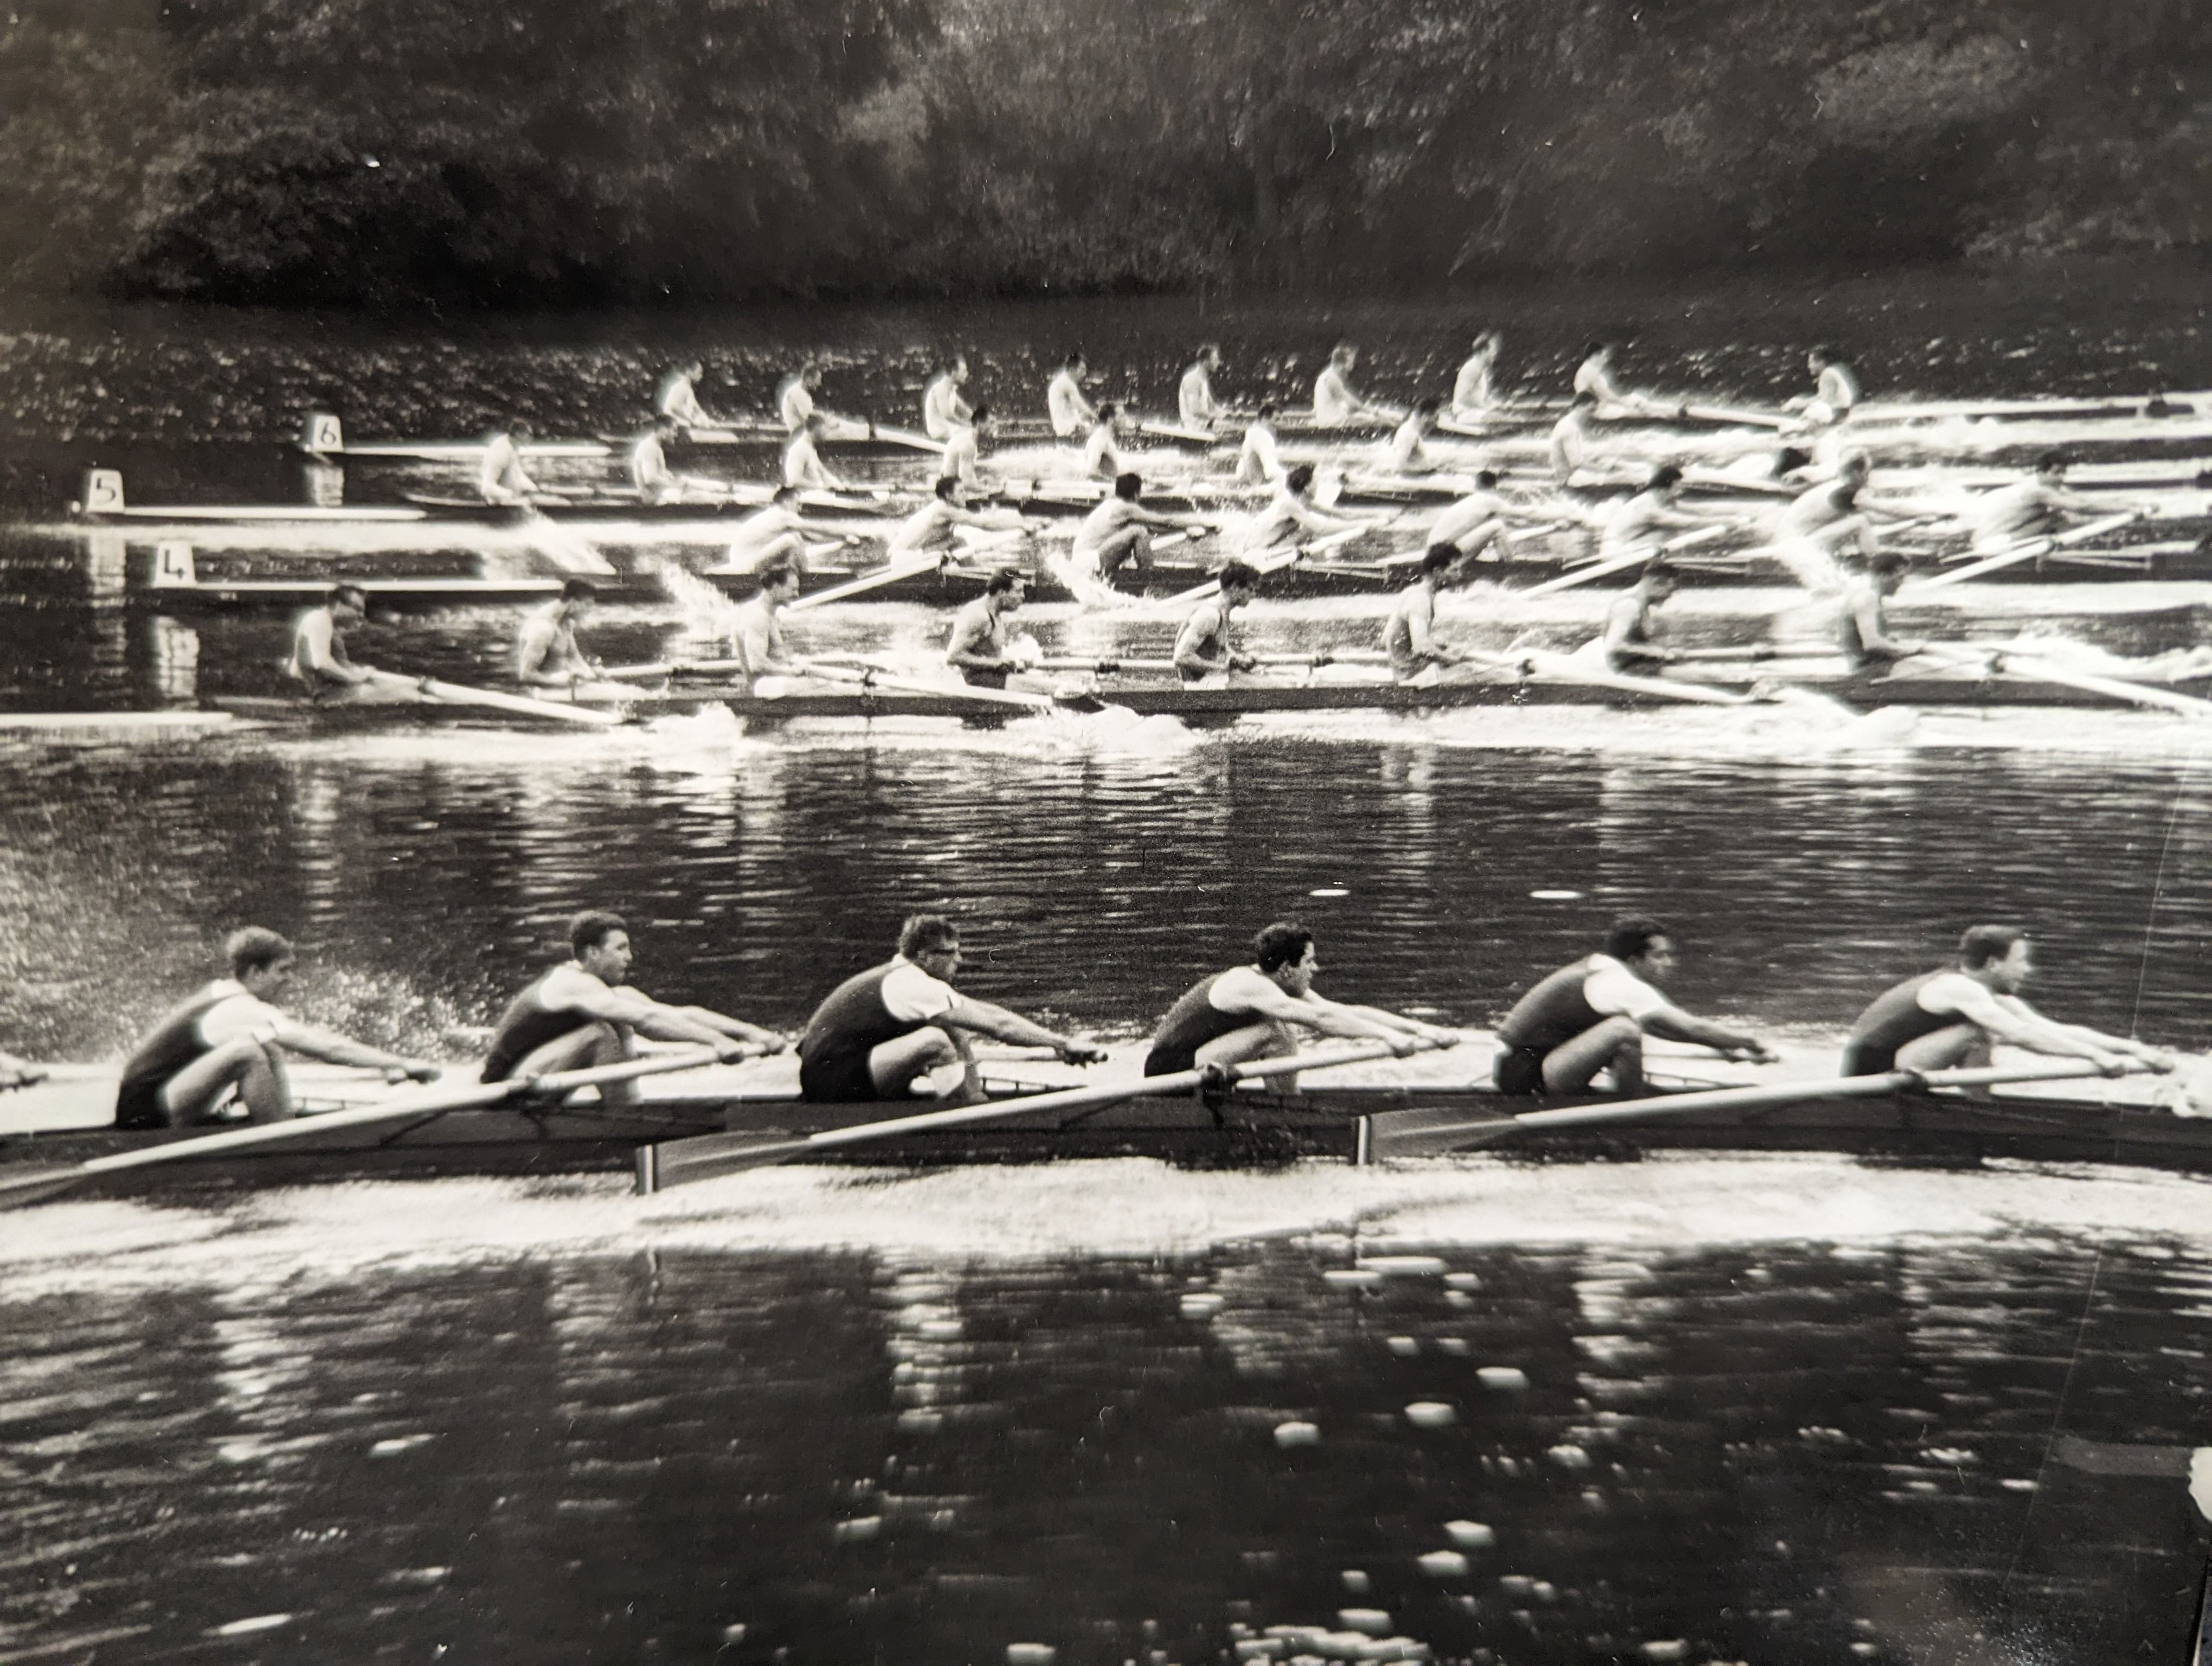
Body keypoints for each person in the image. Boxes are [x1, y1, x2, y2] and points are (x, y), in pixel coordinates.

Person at [115, 927, 441, 1129]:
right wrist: (398, 1063)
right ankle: (278, 1139)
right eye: (281, 971)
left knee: (265, 1046)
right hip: (146, 1117)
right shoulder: (238, 1007)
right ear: (256, 972)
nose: (288, 980)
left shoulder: (222, 990)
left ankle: (279, 1122)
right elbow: (325, 1047)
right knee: (247, 1053)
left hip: (165, 1099)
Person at [799, 913, 1104, 1104]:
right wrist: (1061, 1043)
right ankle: (958, 1116)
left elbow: (984, 1015)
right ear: (925, 957)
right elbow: (998, 1026)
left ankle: (972, 1102)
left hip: (840, 1072)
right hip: (832, 1085)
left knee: (951, 1028)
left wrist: (1055, 1043)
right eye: (951, 954)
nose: (959, 961)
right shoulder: (911, 984)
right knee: (935, 1042)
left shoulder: (903, 978)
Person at [480, 911, 783, 1101]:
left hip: (542, 1076)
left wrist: (753, 1033)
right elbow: (647, 1020)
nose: (630, 957)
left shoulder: (605, 991)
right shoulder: (573, 984)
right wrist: (716, 1042)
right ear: (593, 953)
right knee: (599, 1034)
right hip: (505, 1089)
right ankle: (626, 1121)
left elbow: (675, 1015)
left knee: (618, 1022)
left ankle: (629, 1108)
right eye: (620, 949)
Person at [1143, 922, 1456, 1092]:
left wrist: (1421, 1029)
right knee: (1275, 1032)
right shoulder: (1247, 984)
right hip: (1169, 1072)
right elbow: (1321, 1020)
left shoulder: (1277, 984)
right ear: (1287, 968)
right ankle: (1288, 1109)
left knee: (1278, 1030)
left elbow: (1343, 1012)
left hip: (1205, 1060)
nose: (1315, 969)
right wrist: (1387, 1039)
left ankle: (1285, 1105)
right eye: (1309, 961)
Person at [1840, 925, 2173, 1079]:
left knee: (1984, 1029)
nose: (2027, 970)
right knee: (1976, 1034)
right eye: (2021, 961)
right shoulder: (1957, 987)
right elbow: (2021, 1037)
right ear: (1993, 964)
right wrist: (2095, 1058)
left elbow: (2048, 1029)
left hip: (1899, 1066)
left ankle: (1980, 1111)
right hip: (1870, 1078)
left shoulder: (1984, 992)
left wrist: (2131, 1050)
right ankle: (1979, 1115)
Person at [1494, 917, 1776, 1097]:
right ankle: (1630, 1111)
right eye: (1660, 956)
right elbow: (1692, 1027)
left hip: (1524, 1070)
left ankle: (1629, 1096)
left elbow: (1657, 1026)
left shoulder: (1603, 969)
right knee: (1624, 1031)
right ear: (1634, 959)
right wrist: (1752, 1042)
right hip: (1530, 1077)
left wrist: (1721, 1046)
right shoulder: (1618, 982)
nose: (1669, 963)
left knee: (1629, 1027)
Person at [287, 584, 418, 703]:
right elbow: (322, 663)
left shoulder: (326, 624)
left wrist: (360, 673)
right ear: (339, 605)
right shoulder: (319, 619)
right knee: (411, 695)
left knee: (412, 687)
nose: (361, 615)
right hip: (328, 696)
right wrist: (354, 678)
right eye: (357, 609)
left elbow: (297, 668)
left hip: (333, 691)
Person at [1771, 451, 1881, 587]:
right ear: (1856, 472)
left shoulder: (1836, 486)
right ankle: (1881, 569)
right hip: (1796, 545)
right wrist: (1912, 516)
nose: (1868, 478)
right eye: (1868, 472)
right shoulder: (1842, 493)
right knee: (1860, 523)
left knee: (1858, 523)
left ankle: (1868, 561)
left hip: (1794, 540)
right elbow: (1876, 518)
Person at [1967, 453, 2110, 554]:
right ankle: (2058, 555)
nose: (2061, 478)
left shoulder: (2043, 485)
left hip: (1993, 541)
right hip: (1992, 545)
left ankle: (2055, 551)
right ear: (2040, 472)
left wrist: (2126, 505)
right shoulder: (2037, 491)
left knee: (2056, 516)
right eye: (2056, 473)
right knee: (2056, 518)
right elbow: (2081, 508)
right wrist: (2128, 509)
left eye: (2063, 473)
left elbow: (2084, 501)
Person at [1072, 473, 1200, 582]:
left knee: (1140, 530)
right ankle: (1148, 579)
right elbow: (1166, 521)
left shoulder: (1110, 503)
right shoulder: (1126, 507)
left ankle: (1143, 575)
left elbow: (1152, 529)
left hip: (1081, 562)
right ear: (1136, 494)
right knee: (1138, 530)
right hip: (1090, 562)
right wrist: (1204, 525)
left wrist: (1185, 530)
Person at [1385, 544, 1475, 682]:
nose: (1460, 575)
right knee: (1495, 675)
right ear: (1438, 571)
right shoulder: (1420, 600)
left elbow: (1386, 638)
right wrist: (1451, 659)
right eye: (1454, 570)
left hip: (1407, 672)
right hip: (1415, 677)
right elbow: (1422, 646)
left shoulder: (1411, 592)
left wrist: (1441, 647)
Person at [515, 579, 615, 694]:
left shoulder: (566, 622)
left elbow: (573, 656)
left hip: (562, 689)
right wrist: (562, 682)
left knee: (620, 691)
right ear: (573, 602)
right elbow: (526, 675)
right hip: (541, 695)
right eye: (587, 606)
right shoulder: (544, 628)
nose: (588, 612)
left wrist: (591, 674)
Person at [1600, 466, 1721, 561]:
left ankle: (1665, 565)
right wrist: (1722, 523)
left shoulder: (1649, 498)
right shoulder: (1647, 507)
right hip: (1615, 553)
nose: (1680, 492)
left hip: (1621, 548)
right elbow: (1684, 523)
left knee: (1666, 533)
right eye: (1678, 487)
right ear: (1666, 486)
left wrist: (1722, 517)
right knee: (1667, 531)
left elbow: (1693, 511)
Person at [1244, 463, 1367, 556]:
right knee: (1309, 530)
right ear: (1307, 487)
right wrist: (1357, 526)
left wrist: (1372, 520)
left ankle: (1293, 552)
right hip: (1256, 552)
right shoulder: (1289, 504)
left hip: (1260, 547)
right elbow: (1321, 528)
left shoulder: (1303, 501)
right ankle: (1294, 554)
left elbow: (1340, 514)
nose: (1319, 485)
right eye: (1316, 482)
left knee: (1307, 530)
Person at [889, 476, 1023, 560]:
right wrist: (1021, 524)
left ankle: (969, 574)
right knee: (958, 542)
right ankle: (975, 578)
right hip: (903, 559)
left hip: (906, 555)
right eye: (961, 492)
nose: (966, 495)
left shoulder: (942, 506)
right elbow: (985, 524)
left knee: (954, 542)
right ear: (949, 495)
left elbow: (983, 518)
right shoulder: (943, 510)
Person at [1173, 561, 1262, 681]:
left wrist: (1239, 658)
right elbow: (1181, 657)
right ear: (1235, 587)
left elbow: (1217, 646)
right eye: (1251, 589)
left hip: (1205, 685)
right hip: (1194, 689)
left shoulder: (1221, 612)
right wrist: (1223, 668)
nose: (1254, 595)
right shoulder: (1210, 615)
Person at [944, 568, 1032, 688]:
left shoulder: (993, 612)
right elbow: (953, 657)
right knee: (1053, 689)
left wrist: (1012, 662)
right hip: (977, 683)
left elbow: (988, 653)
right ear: (1002, 592)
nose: (1023, 597)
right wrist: (995, 663)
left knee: (1042, 678)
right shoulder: (979, 616)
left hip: (992, 677)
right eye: (1018, 591)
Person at [1837, 552, 1924, 672]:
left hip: (1869, 666)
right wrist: (1909, 650)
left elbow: (1873, 638)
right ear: (1884, 576)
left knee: (1926, 650)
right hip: (1866, 671)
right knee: (1926, 651)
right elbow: (1872, 643)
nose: (1902, 583)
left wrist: (1893, 642)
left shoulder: (1868, 595)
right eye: (1900, 577)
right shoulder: (1867, 598)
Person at [1599, 558, 1684, 675]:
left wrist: (1666, 651)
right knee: (1708, 675)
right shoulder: (1629, 606)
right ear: (1656, 583)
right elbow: (1613, 646)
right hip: (1624, 672)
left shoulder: (1642, 604)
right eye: (1670, 590)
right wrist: (1656, 652)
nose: (1670, 596)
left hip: (1640, 666)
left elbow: (1636, 643)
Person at [728, 560, 808, 682]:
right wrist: (792, 673)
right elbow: (757, 665)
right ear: (776, 587)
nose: (797, 594)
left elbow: (775, 654)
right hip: (763, 691)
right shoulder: (758, 617)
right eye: (793, 589)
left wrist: (793, 662)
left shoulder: (766, 614)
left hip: (774, 684)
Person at [711, 487, 816, 576]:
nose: (799, 508)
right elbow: (817, 529)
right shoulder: (780, 515)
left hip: (749, 560)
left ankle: (802, 575)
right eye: (797, 503)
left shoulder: (772, 515)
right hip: (745, 566)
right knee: (790, 540)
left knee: (794, 538)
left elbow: (809, 535)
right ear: (786, 502)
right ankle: (806, 578)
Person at [1313, 344, 1393, 426]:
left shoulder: (1328, 376)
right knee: (1379, 421)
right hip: (1333, 423)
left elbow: (1349, 403)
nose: (1353, 364)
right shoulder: (1330, 379)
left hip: (1331, 420)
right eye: (1352, 361)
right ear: (1346, 362)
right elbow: (1351, 402)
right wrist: (1373, 411)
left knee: (1367, 417)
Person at [1787, 345, 1860, 427]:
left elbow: (1826, 400)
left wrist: (1801, 404)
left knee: (1809, 412)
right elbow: (1822, 396)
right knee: (1804, 404)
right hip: (1844, 410)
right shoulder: (1834, 369)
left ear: (1821, 362)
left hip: (1838, 411)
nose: (1809, 366)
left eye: (1811, 363)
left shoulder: (1827, 374)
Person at [628, 416, 687, 504]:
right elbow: (650, 478)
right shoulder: (649, 447)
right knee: (703, 495)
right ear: (663, 430)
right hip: (654, 498)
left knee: (690, 483)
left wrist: (666, 474)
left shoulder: (654, 446)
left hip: (659, 493)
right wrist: (674, 484)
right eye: (674, 430)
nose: (676, 434)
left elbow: (655, 472)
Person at [1547, 393, 1602, 485]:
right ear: (1579, 407)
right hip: (1566, 477)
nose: (1592, 415)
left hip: (1566, 472)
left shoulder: (1568, 422)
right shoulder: (1569, 427)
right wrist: (1604, 469)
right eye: (1591, 410)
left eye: (1594, 411)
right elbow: (1576, 463)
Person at [480, 421, 538, 505]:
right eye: (530, 435)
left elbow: (517, 475)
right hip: (499, 504)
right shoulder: (501, 451)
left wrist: (534, 489)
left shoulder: (512, 447)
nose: (532, 438)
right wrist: (512, 495)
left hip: (511, 499)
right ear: (519, 434)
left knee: (535, 497)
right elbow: (486, 488)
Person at [1383, 399, 1443, 475]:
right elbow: (1398, 470)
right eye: (1436, 418)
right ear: (1426, 416)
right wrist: (1429, 472)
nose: (1436, 425)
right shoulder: (1409, 435)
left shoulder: (1411, 431)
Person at [783, 415, 841, 490]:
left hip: (814, 495)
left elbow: (823, 473)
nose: (826, 434)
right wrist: (822, 488)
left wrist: (840, 485)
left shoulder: (810, 449)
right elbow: (794, 481)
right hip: (803, 497)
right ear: (816, 429)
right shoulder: (798, 449)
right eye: (824, 429)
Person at [1451, 331, 1502, 417]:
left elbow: (1477, 398)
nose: (1495, 353)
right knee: (1500, 419)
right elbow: (1463, 399)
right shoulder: (1471, 368)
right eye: (1493, 350)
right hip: (1464, 415)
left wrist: (1495, 405)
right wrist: (1485, 408)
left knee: (1503, 416)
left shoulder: (1481, 369)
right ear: (1483, 351)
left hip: (1473, 413)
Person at [1048, 353, 1098, 439]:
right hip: (1068, 428)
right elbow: (1080, 406)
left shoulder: (1060, 381)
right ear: (1072, 370)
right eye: (1082, 370)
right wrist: (1097, 418)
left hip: (1061, 427)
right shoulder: (1067, 384)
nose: (1084, 374)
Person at [1234, 404, 1287, 486]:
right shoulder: (1262, 436)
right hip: (1261, 489)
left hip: (1250, 488)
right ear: (1264, 419)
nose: (1281, 424)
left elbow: (1240, 474)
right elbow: (1271, 471)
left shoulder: (1251, 435)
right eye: (1277, 419)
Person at [922, 357, 973, 441]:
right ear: (954, 373)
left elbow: (967, 412)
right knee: (973, 433)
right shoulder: (940, 389)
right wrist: (969, 426)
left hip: (949, 432)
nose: (967, 375)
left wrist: (983, 420)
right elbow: (948, 416)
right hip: (939, 434)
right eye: (964, 372)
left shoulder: (952, 392)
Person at [941, 404, 991, 486]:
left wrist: (979, 482)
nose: (995, 427)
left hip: (949, 484)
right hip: (951, 488)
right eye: (991, 423)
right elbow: (966, 482)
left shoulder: (967, 436)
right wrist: (986, 489)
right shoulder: (969, 444)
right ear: (979, 423)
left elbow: (966, 475)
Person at [655, 361, 712, 430]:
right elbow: (674, 407)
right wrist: (692, 421)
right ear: (689, 372)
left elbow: (695, 406)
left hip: (683, 425)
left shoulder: (687, 387)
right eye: (699, 373)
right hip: (676, 425)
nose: (701, 376)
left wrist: (705, 418)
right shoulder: (681, 386)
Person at [1179, 345, 1225, 427]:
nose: (1219, 363)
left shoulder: (1203, 379)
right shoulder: (1193, 379)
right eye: (1215, 359)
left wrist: (1229, 414)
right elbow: (1195, 410)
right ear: (1205, 361)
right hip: (1193, 431)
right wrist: (1216, 417)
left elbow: (1212, 406)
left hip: (1203, 428)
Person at [1081, 403, 1130, 478]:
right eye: (1122, 416)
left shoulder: (1107, 439)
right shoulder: (1099, 440)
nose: (1125, 419)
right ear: (1110, 420)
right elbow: (1091, 473)